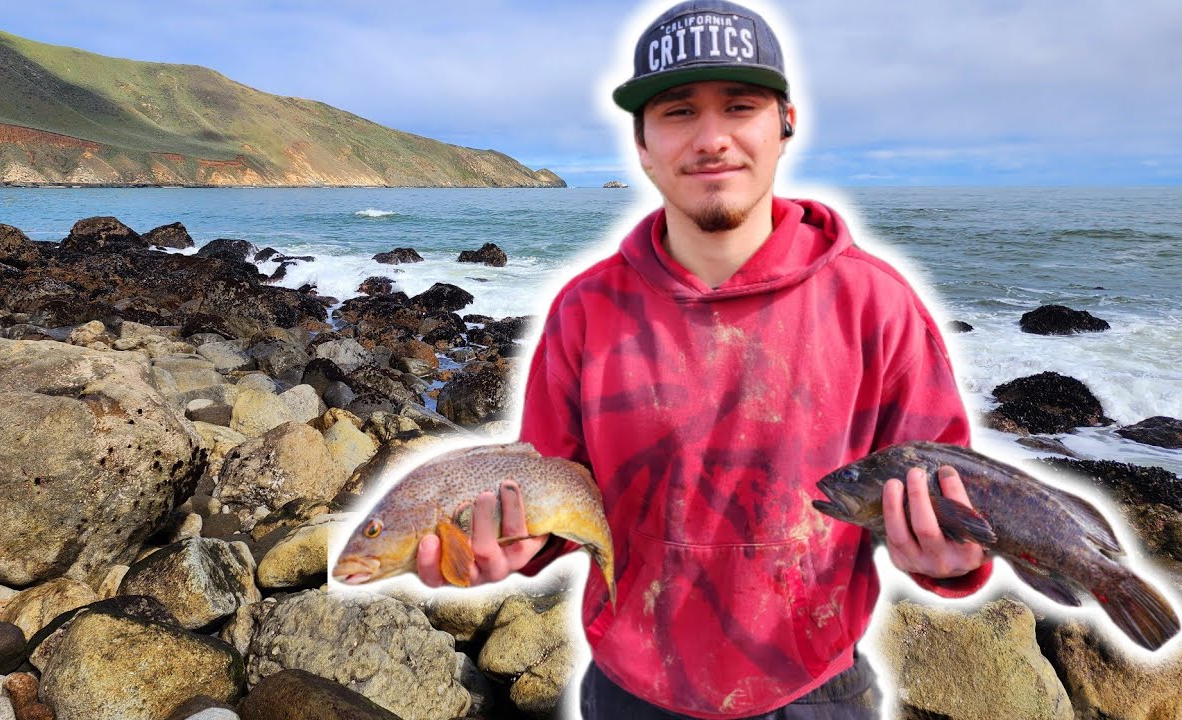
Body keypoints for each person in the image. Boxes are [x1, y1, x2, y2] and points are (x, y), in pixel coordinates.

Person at [417, 1, 992, 717]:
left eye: (740, 106)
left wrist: (956, 559)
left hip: (816, 688)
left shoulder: (876, 304)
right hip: (629, 689)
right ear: (643, 143)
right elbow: (554, 488)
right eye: (679, 111)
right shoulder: (585, 312)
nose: (712, 138)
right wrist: (511, 546)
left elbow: (958, 493)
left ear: (785, 123)